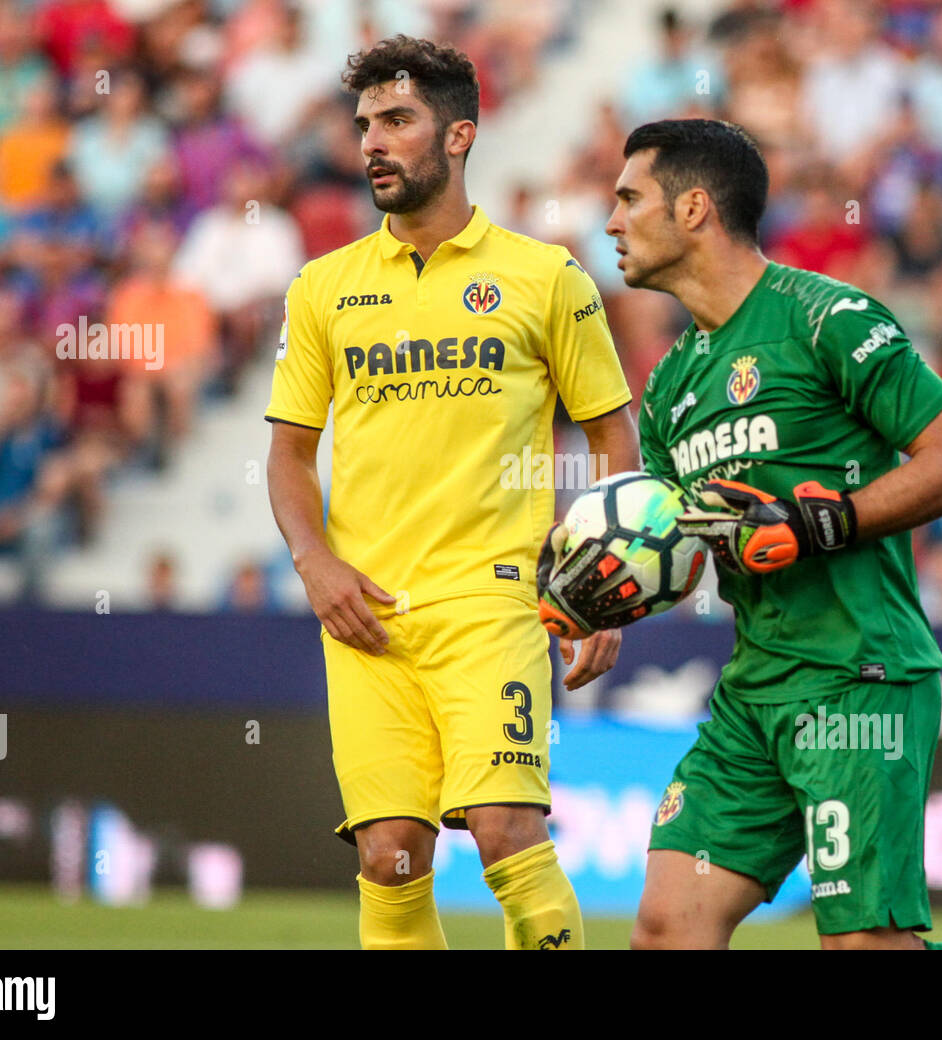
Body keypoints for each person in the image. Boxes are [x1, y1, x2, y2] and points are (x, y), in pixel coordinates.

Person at [264, 36, 639, 950]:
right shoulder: (323, 288)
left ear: (460, 134)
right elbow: (288, 455)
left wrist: (605, 586)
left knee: (509, 832)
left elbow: (611, 434)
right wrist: (316, 566)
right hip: (364, 614)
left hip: (494, 602)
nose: (372, 144)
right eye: (363, 126)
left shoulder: (547, 277)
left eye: (397, 121)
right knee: (390, 854)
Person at [601, 119, 942, 949]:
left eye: (630, 198)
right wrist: (601, 591)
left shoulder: (830, 318)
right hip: (754, 696)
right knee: (666, 928)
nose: (611, 222)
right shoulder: (670, 385)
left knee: (864, 947)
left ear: (695, 207)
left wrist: (823, 523)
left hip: (858, 679)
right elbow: (685, 547)